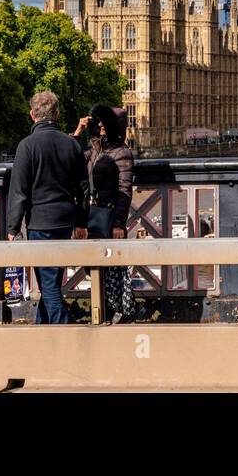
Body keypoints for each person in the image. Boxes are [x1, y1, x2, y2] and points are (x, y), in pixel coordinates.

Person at [7, 91, 88, 324]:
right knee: (51, 280)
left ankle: (63, 328)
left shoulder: (27, 146)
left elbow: (19, 192)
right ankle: (43, 330)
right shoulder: (71, 144)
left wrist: (13, 228)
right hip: (65, 220)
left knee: (48, 282)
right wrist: (81, 222)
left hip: (40, 221)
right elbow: (83, 189)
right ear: (58, 114)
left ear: (32, 115)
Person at [77, 104, 137, 323]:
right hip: (90, 215)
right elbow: (71, 162)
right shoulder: (93, 149)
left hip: (108, 218)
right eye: (98, 121)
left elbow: (124, 191)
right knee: (91, 266)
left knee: (112, 267)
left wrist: (119, 223)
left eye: (105, 121)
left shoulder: (121, 153)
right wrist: (77, 133)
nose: (100, 125)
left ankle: (117, 311)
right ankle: (100, 310)